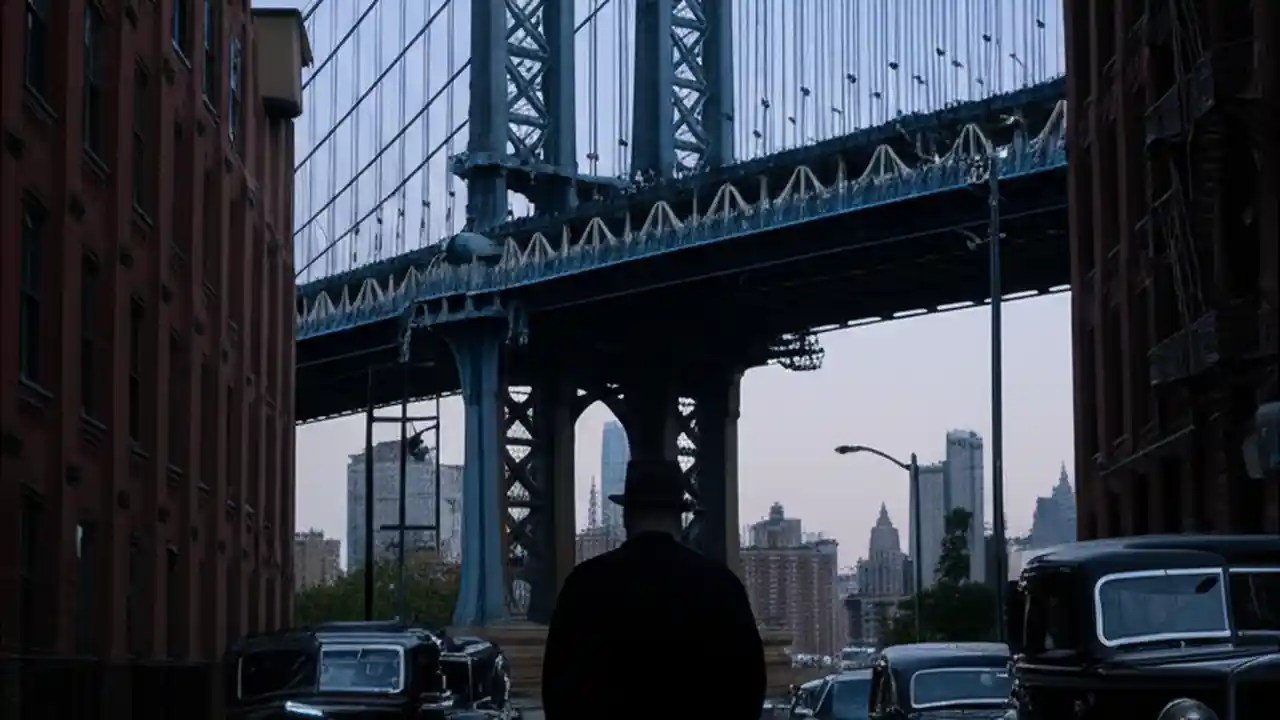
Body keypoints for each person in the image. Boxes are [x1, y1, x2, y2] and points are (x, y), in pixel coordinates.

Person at [541, 458, 767, 718]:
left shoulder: (583, 584)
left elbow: (557, 689)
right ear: (680, 516)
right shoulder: (722, 586)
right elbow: (749, 685)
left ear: (626, 515)